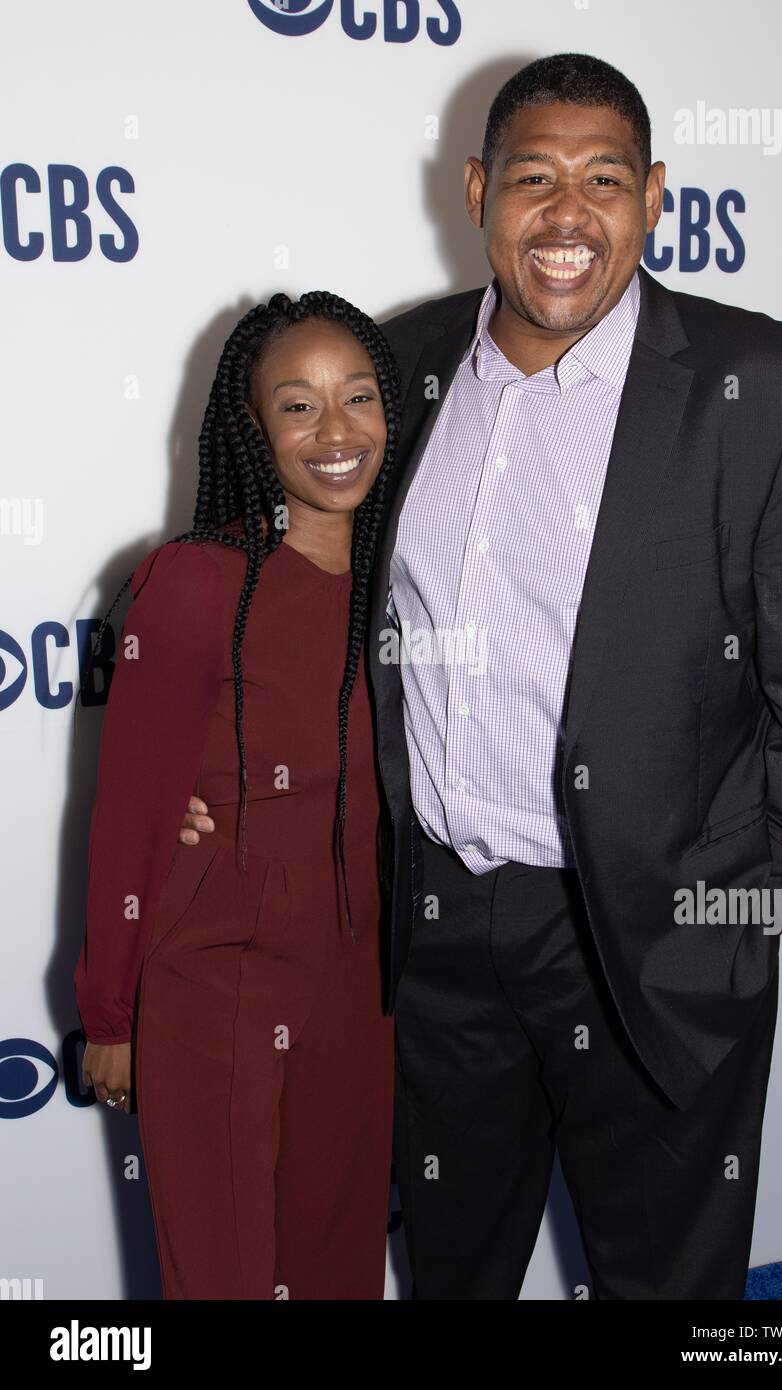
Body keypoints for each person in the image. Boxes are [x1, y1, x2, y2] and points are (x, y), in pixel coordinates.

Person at [179, 54, 782, 1299]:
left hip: (653, 933)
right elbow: (296, 602)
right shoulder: (401, 363)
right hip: (436, 926)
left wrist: (747, 915)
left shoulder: (766, 386)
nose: (566, 215)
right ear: (477, 191)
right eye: (533, 178)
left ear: (655, 198)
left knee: (668, 1282)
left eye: (603, 179)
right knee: (452, 1267)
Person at [74, 290, 401, 1300]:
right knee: (220, 1279)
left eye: (357, 397)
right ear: (253, 431)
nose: (335, 431)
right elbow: (131, 815)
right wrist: (112, 1014)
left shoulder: (413, 577)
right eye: (297, 406)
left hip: (363, 985)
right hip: (216, 978)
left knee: (337, 1269)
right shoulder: (196, 581)